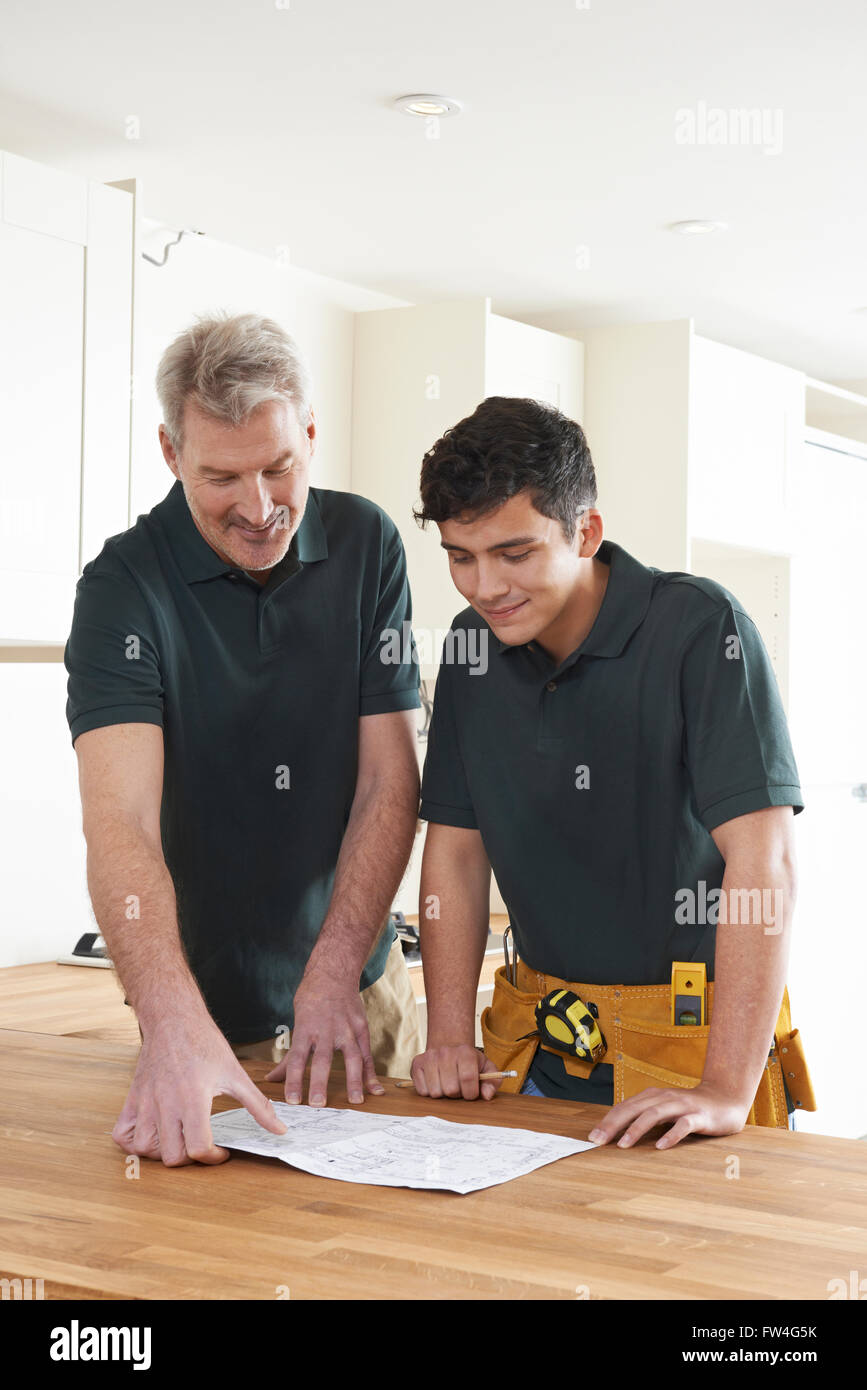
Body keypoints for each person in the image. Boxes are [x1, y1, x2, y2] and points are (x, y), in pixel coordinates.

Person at [65, 312, 423, 1167]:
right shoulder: (122, 587)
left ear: (308, 431)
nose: (260, 509)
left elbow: (388, 781)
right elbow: (120, 821)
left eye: (279, 468)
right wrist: (168, 1017)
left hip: (361, 984)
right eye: (222, 477)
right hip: (197, 1002)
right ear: (169, 453)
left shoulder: (369, 543)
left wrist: (336, 970)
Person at [410, 395, 809, 1147]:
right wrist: (446, 1037)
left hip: (693, 1052)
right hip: (530, 1046)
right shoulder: (469, 648)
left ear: (585, 531)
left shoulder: (701, 630)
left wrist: (724, 1090)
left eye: (514, 553)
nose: (484, 586)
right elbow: (456, 851)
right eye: (460, 557)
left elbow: (765, 860)